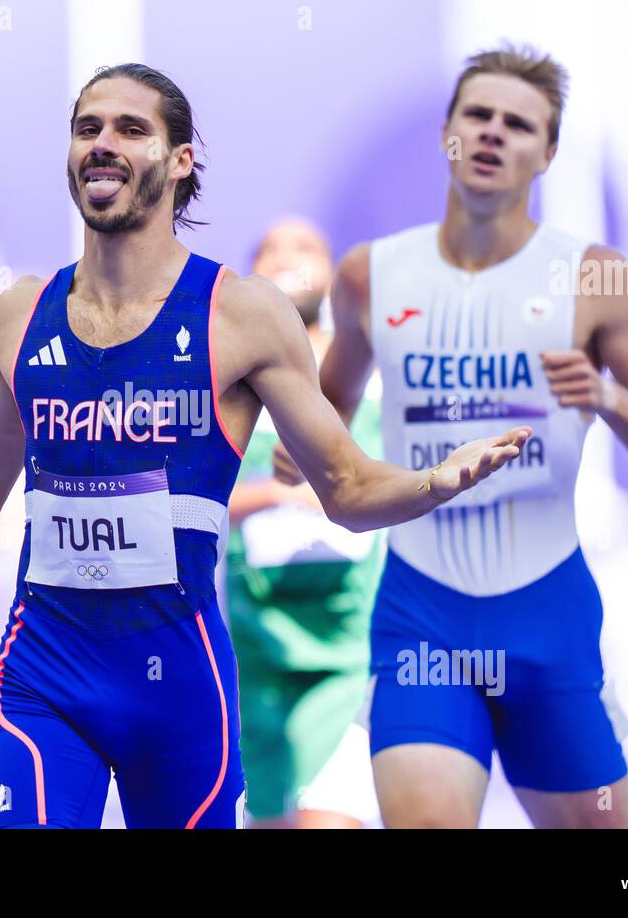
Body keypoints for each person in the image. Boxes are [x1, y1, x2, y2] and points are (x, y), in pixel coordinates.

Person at [0, 64, 530, 829]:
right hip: (43, 674)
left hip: (181, 685)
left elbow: (345, 486)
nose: (102, 143)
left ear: (179, 159)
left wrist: (433, 481)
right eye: (86, 127)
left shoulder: (244, 314)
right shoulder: (22, 313)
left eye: (130, 128)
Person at [283, 45, 628, 828]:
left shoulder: (594, 276)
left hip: (550, 615)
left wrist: (609, 396)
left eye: (518, 124)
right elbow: (328, 405)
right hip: (422, 616)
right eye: (477, 115)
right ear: (447, 132)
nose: (492, 134)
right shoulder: (373, 273)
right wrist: (305, 450)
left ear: (547, 153)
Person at [226, 219, 383, 828]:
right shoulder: (224, 389)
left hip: (348, 655)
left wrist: (345, 491)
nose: (290, 258)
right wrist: (273, 496)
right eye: (272, 249)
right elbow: (183, 499)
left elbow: (401, 486)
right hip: (255, 657)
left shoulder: (370, 381)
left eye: (308, 248)